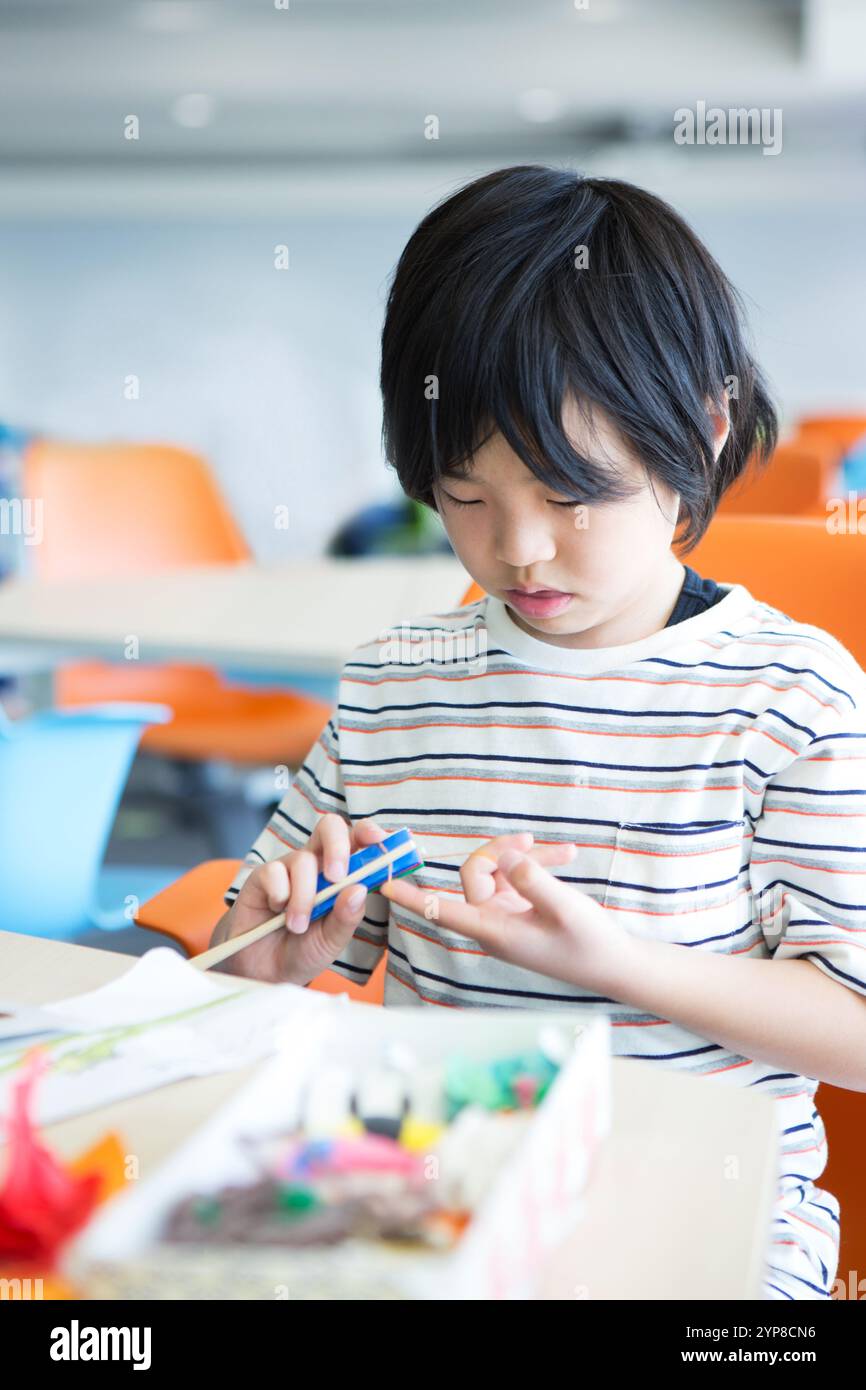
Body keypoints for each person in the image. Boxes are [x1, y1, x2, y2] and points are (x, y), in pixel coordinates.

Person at [209, 167, 866, 1300]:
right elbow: (257, 947)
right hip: (428, 1212)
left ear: (702, 430)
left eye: (570, 496)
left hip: (696, 1227)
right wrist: (264, 960)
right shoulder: (393, 687)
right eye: (463, 496)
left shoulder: (786, 696)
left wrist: (613, 964)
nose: (516, 550)